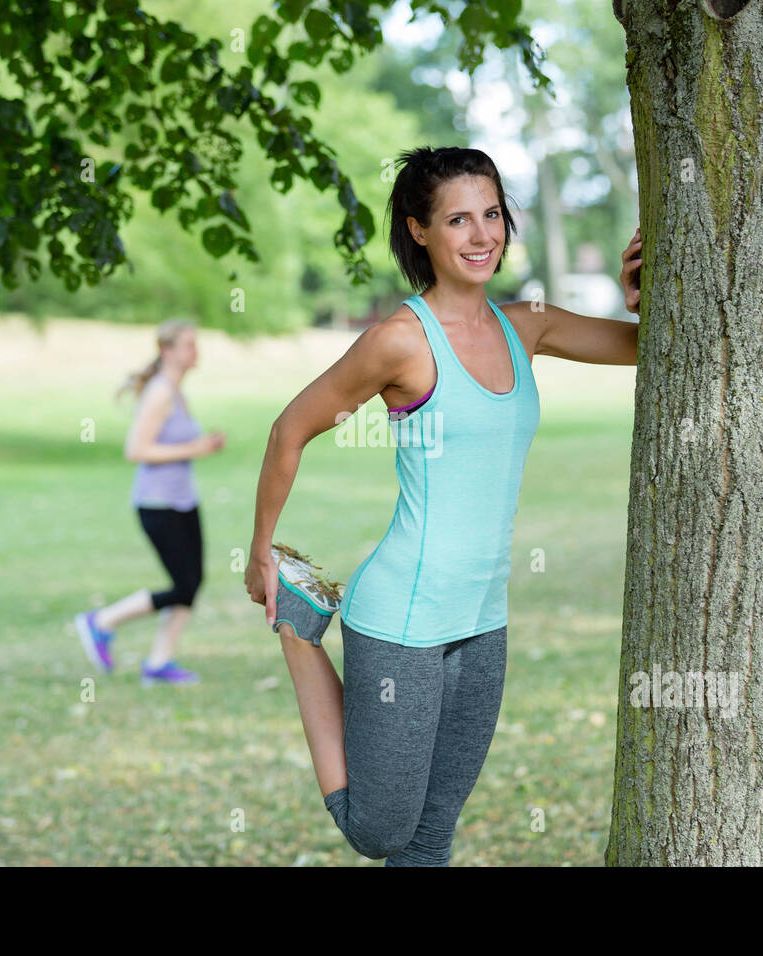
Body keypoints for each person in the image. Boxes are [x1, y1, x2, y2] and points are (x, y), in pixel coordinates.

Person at [244, 145, 643, 865]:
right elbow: (289, 429)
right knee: (380, 831)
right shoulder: (400, 342)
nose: (482, 234)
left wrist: (638, 294)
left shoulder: (530, 326)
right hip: (404, 620)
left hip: (484, 620)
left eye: (491, 213)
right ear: (419, 231)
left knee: (430, 839)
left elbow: (652, 346)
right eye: (458, 219)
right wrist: (260, 552)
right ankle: (299, 633)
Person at [75, 319, 226, 687]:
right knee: (183, 585)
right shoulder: (160, 392)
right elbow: (136, 449)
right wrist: (198, 447)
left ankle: (159, 662)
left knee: (192, 581)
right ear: (167, 351)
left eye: (196, 343)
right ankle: (102, 621)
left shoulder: (176, 392)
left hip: (183, 501)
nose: (196, 352)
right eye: (188, 345)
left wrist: (200, 446)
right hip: (157, 505)